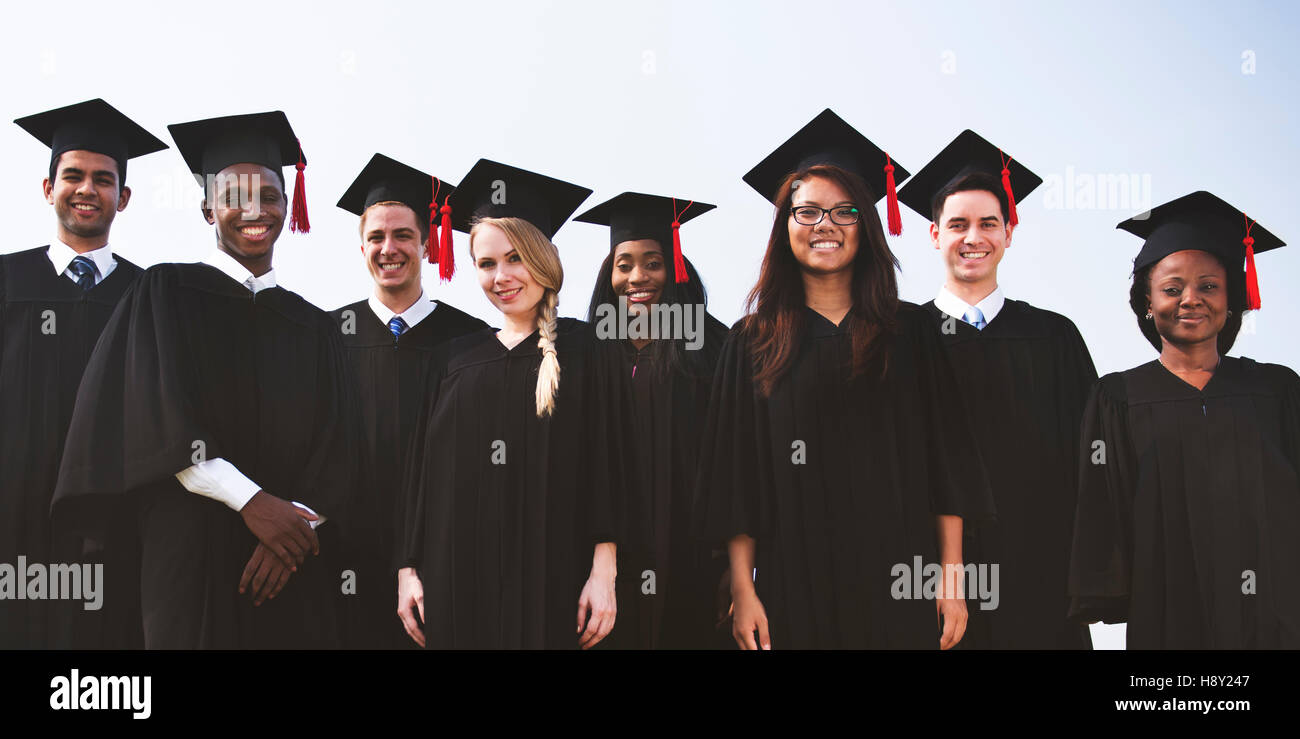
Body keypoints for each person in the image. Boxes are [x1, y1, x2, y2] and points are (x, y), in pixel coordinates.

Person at [52, 111, 358, 648]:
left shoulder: (315, 323)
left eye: (269, 195)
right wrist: (254, 504)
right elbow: (157, 420)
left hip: (290, 563)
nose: (254, 210)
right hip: (189, 552)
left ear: (288, 206)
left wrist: (293, 533)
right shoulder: (165, 292)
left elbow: (340, 445)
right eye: (234, 194)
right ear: (206, 208)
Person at [694, 109, 992, 650]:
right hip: (792, 580)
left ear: (867, 225)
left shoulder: (912, 331)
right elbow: (735, 477)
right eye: (805, 212)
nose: (824, 225)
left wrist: (952, 579)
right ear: (784, 229)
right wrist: (743, 589)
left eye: (843, 212)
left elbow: (946, 459)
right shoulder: (752, 340)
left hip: (901, 577)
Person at [398, 159, 624, 649]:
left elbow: (610, 466)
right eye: (486, 263)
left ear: (545, 257)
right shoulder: (451, 359)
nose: (502, 276)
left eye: (516, 257)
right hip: (457, 581)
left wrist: (604, 573)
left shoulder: (590, 350)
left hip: (556, 582)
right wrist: (408, 569)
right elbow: (421, 474)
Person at [1069, 190, 1300, 649]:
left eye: (1209, 286)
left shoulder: (1279, 390)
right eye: (1172, 289)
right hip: (1167, 611)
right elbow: (1103, 508)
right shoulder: (1117, 398)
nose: (1190, 299)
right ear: (1148, 303)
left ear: (1232, 298)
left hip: (1274, 613)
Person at [896, 130, 1095, 649]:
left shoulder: (1054, 336)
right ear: (934, 234)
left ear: (1009, 233)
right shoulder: (902, 337)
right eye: (957, 224)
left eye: (989, 223)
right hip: (933, 582)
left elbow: (1093, 461)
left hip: (1042, 575)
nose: (973, 237)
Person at [2, 99, 166, 649]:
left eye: (103, 179)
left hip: (113, 528)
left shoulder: (149, 297)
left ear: (124, 196)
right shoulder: (6, 280)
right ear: (47, 188)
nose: (86, 190)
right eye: (72, 176)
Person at [332, 153, 487, 648]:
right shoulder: (328, 333)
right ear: (361, 248)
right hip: (343, 554)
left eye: (402, 235)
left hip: (440, 554)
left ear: (426, 242)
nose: (389, 247)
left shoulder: (472, 339)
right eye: (376, 237)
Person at [576, 191, 728, 649]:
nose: (637, 277)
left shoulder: (716, 348)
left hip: (693, 554)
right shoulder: (587, 351)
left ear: (676, 269)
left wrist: (737, 571)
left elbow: (734, 461)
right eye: (624, 265)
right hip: (601, 559)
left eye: (653, 263)